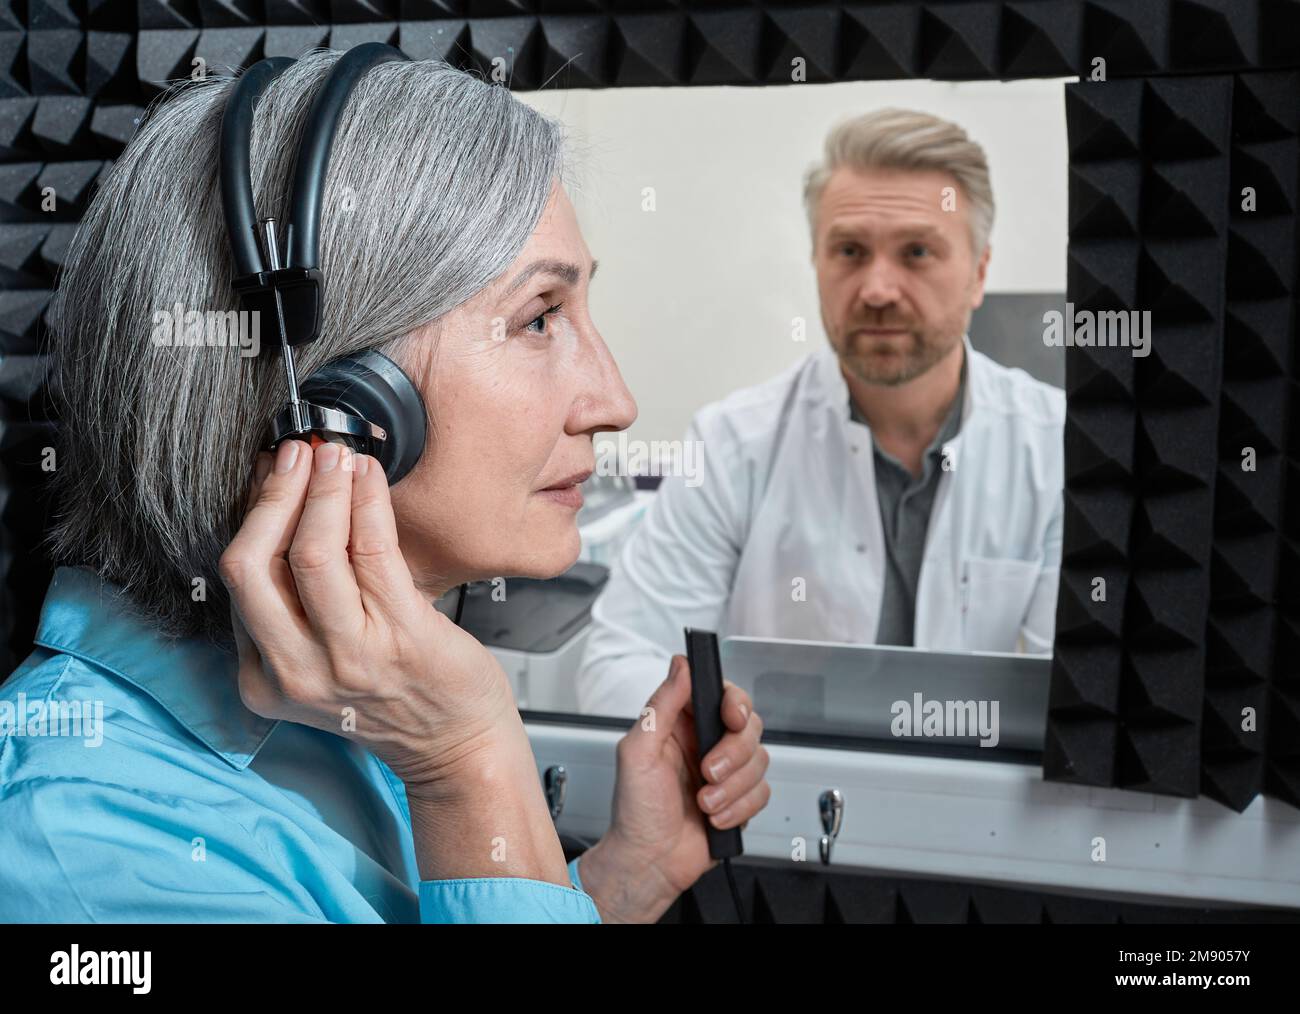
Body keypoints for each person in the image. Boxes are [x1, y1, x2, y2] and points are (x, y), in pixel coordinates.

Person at [0, 49, 770, 923]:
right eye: (540, 319)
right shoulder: (92, 842)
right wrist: (473, 769)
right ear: (332, 404)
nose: (614, 401)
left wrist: (623, 882)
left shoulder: (355, 702)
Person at [577, 108, 1065, 719]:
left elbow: (1074, 695)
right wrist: (721, 740)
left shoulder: (1057, 447)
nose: (878, 289)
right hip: (779, 803)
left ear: (979, 273)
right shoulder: (733, 444)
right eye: (850, 251)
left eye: (917, 252)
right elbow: (621, 659)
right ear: (817, 261)